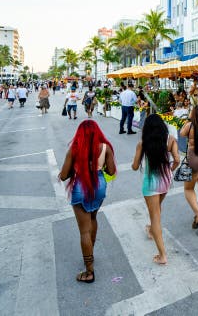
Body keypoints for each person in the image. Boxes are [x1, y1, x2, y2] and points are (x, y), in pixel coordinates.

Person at [58, 120, 116, 283]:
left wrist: (76, 170)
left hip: (81, 186)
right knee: (93, 218)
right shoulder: (105, 147)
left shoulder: (75, 149)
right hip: (99, 186)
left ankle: (89, 271)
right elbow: (110, 171)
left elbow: (63, 175)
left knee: (84, 231)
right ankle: (90, 254)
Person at [131, 114, 180, 265]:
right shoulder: (170, 139)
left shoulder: (143, 143)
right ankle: (152, 230)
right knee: (157, 209)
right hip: (166, 180)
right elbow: (177, 160)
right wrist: (169, 171)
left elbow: (134, 166)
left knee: (155, 216)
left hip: (151, 182)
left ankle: (163, 255)